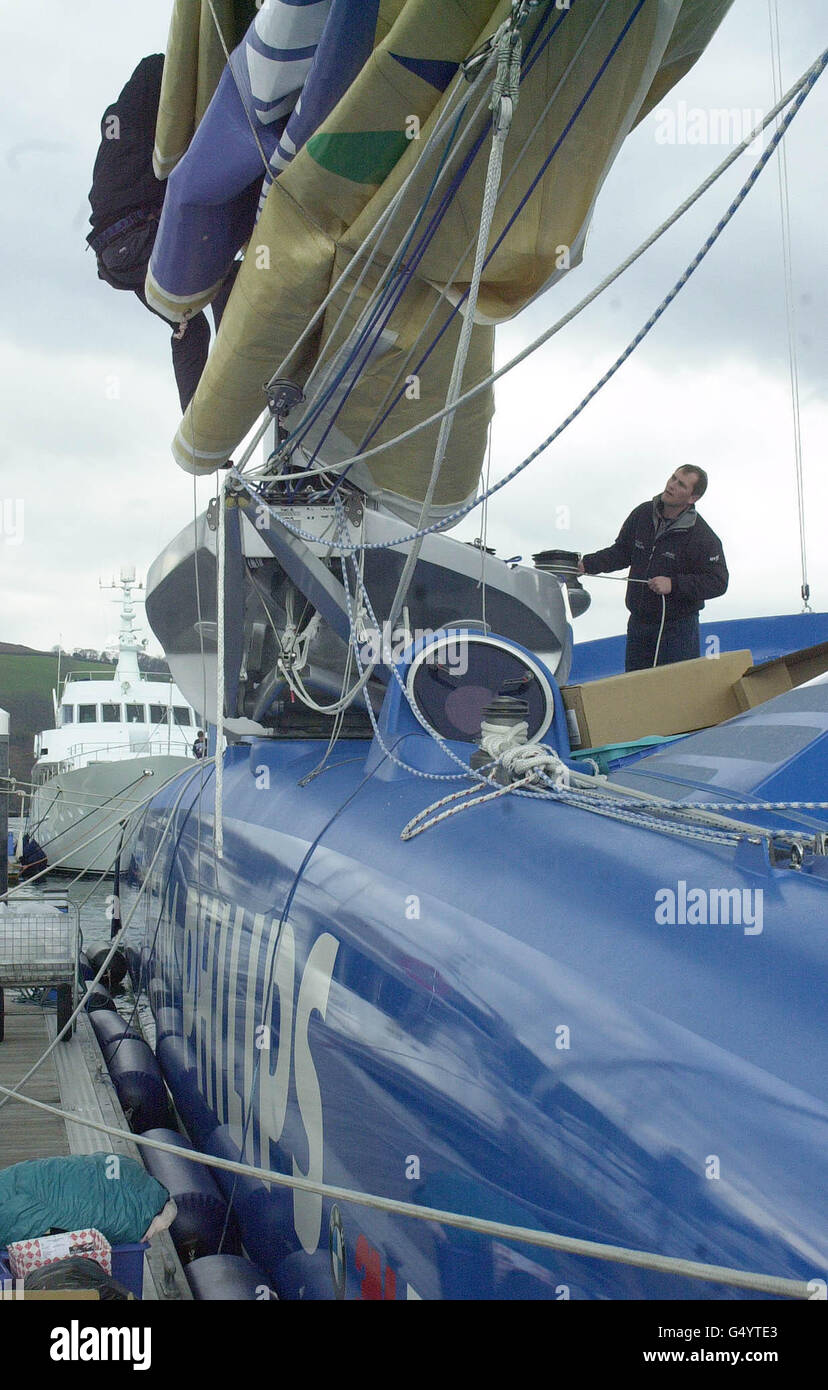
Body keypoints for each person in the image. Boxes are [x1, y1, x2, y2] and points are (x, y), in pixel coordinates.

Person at [87, 55, 236, 411]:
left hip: (117, 258)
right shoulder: (138, 121)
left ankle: (198, 424)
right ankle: (242, 357)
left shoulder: (120, 126)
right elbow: (158, 69)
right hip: (136, 240)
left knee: (187, 323)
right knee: (224, 278)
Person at [577, 467, 728, 671]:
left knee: (673, 693)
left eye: (681, 484)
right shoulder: (643, 513)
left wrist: (674, 584)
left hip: (678, 631)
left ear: (693, 497)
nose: (671, 485)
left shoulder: (702, 537)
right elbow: (622, 552)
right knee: (635, 691)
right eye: (673, 478)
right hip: (639, 624)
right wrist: (587, 564)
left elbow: (718, 582)